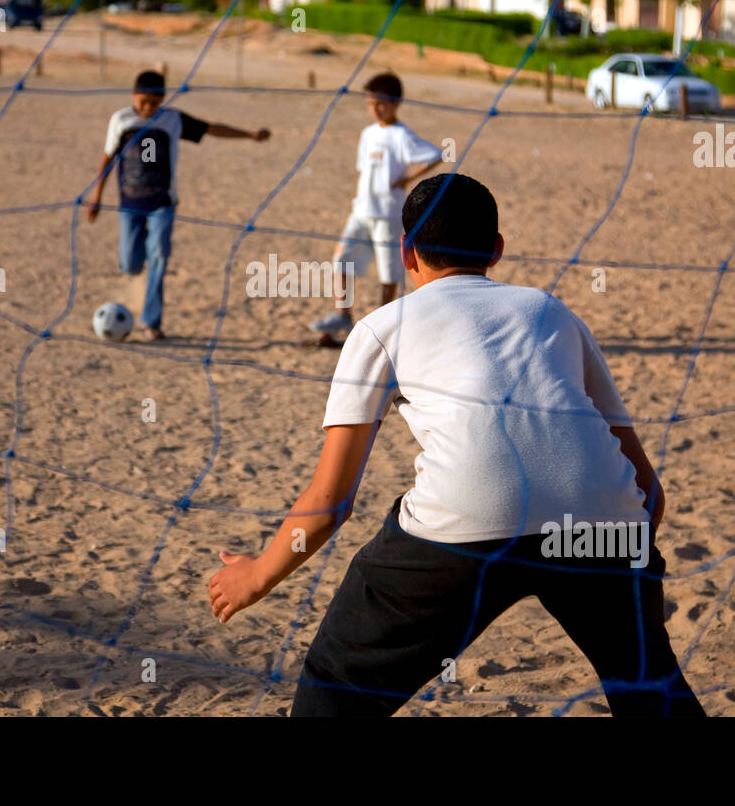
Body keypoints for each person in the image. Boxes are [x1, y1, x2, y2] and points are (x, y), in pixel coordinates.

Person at [208, 173, 705, 717]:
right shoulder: (550, 312)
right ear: (495, 252)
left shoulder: (381, 326)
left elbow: (332, 503)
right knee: (653, 695)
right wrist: (622, 577)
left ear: (406, 252)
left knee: (335, 688)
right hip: (601, 526)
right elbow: (648, 492)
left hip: (461, 528)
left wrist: (256, 575)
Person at [87, 70, 270, 340]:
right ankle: (137, 266)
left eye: (156, 102)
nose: (149, 108)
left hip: (164, 202)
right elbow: (107, 159)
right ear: (133, 96)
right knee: (131, 265)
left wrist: (250, 135)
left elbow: (211, 128)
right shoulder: (121, 120)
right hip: (130, 203)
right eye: (144, 102)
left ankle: (152, 322)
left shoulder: (172, 120)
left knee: (159, 255)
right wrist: (96, 197)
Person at [308, 72, 443, 345]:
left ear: (394, 103)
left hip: (387, 214)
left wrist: (408, 177)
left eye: (379, 103)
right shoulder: (367, 133)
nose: (374, 109)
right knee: (342, 260)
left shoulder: (401, 135)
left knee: (388, 272)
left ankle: (383, 327)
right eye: (370, 103)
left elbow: (434, 154)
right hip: (361, 211)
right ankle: (343, 315)